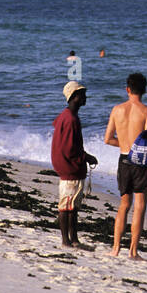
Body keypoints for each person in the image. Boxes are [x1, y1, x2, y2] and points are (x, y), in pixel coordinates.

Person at [104, 72, 147, 258]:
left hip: (124, 159)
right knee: (140, 205)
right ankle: (133, 251)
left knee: (124, 204)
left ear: (127, 89)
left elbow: (108, 139)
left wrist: (126, 144)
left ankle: (116, 248)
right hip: (141, 162)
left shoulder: (116, 109)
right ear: (144, 90)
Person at [52, 81, 98, 251]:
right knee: (67, 207)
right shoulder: (71, 119)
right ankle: (66, 241)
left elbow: (58, 130)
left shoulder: (65, 116)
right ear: (75, 97)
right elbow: (71, 148)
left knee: (72, 206)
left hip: (66, 168)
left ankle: (74, 239)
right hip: (70, 169)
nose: (85, 98)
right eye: (82, 95)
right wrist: (87, 157)